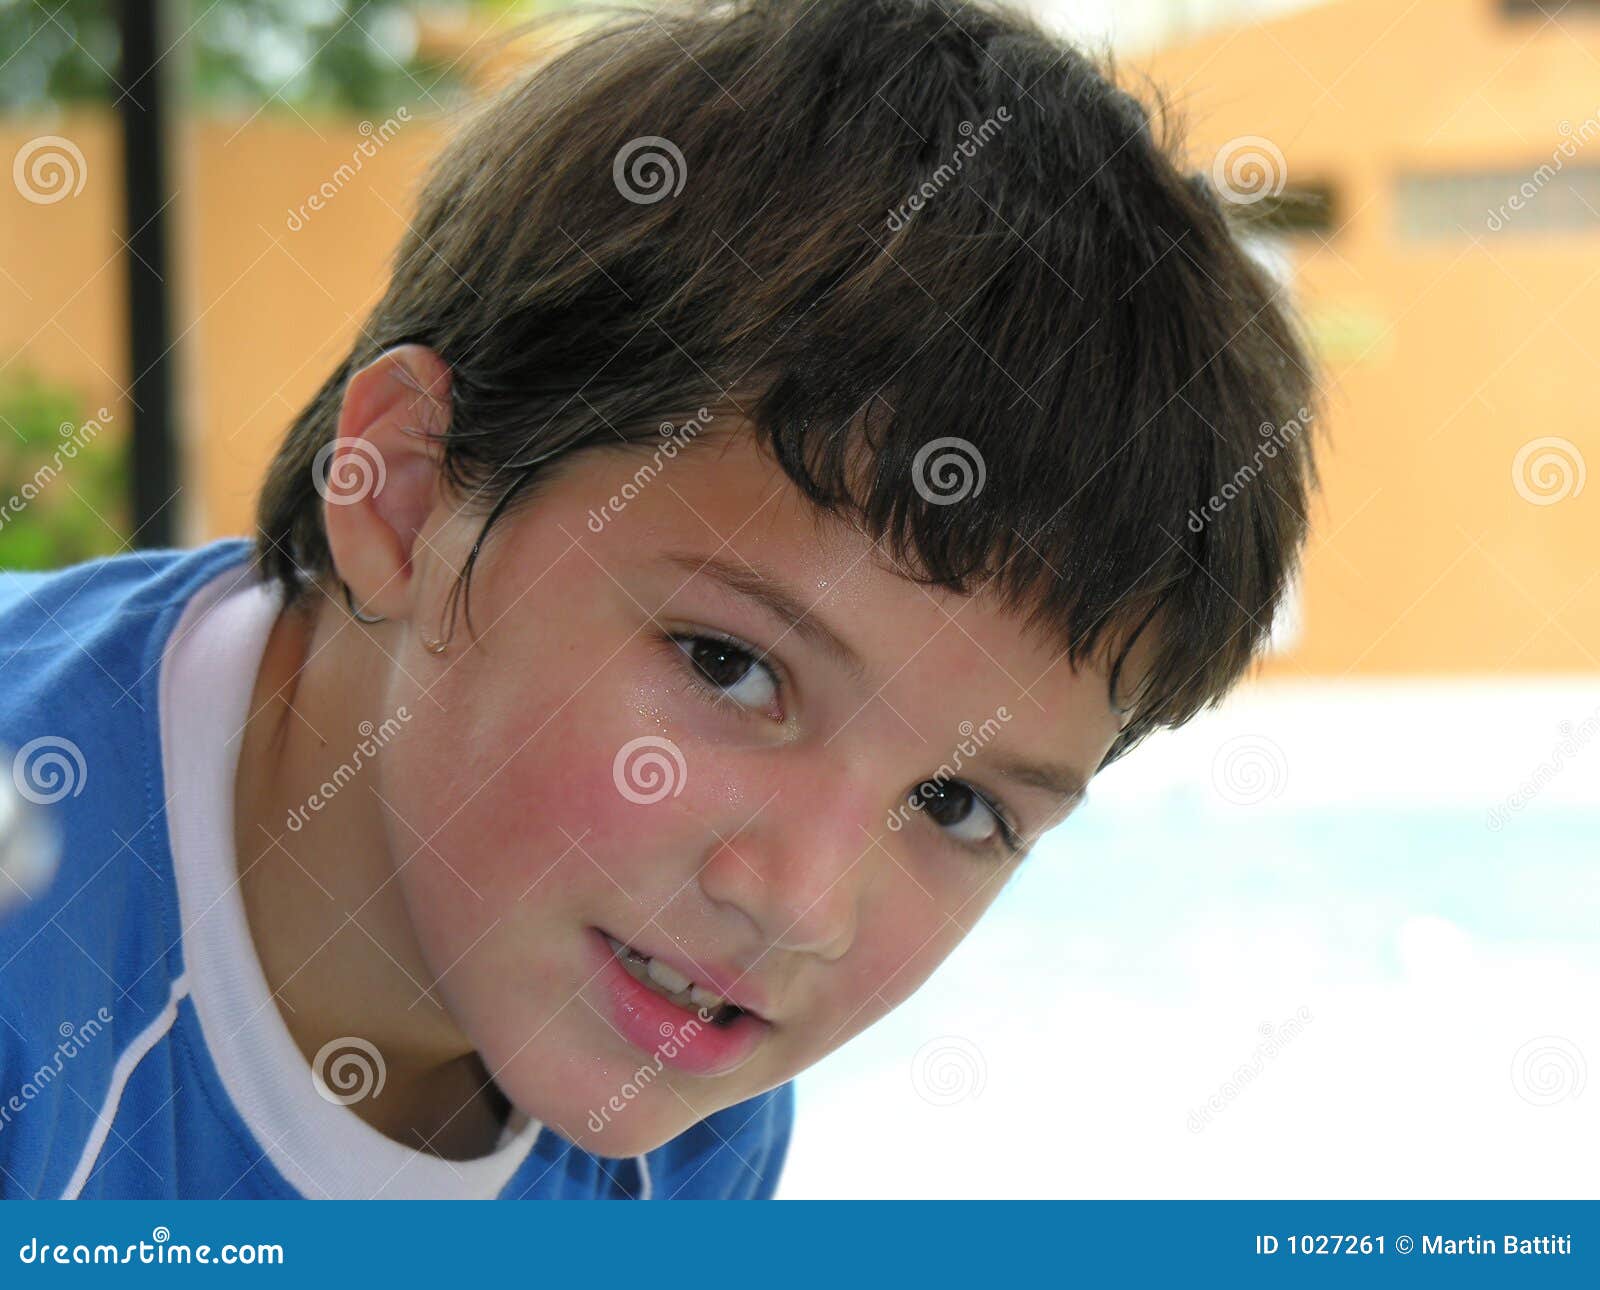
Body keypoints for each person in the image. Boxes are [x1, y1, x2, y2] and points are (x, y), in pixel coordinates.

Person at [0, 0, 1319, 1199]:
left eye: (956, 803)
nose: (805, 903)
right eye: (729, 663)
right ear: (403, 493)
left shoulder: (681, 1089)